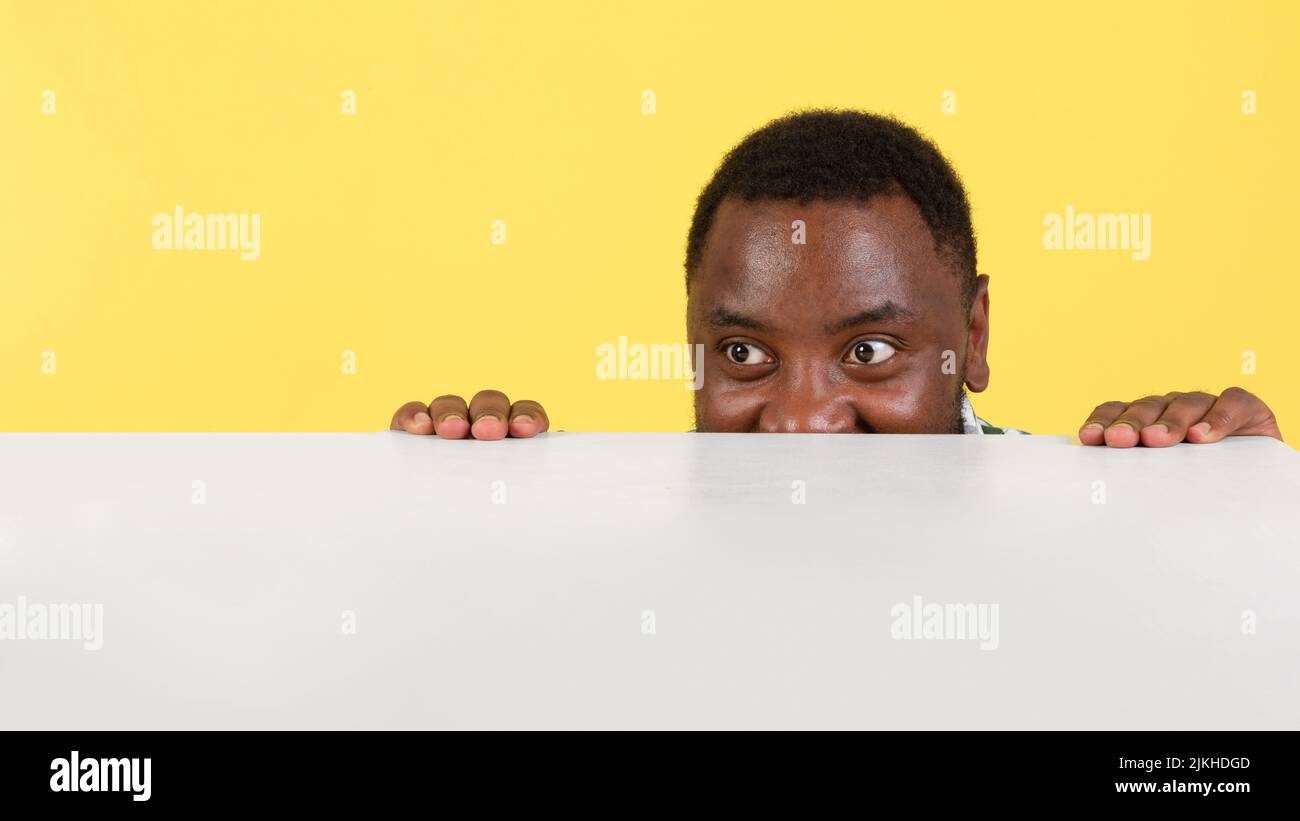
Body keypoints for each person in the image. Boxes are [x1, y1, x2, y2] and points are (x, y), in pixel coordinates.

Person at [390, 110, 1283, 448]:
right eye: (743, 350)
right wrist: (463, 525)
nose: (802, 425)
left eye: (868, 349)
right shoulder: (618, 543)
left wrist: (1236, 516)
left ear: (972, 337)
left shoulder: (1091, 523)